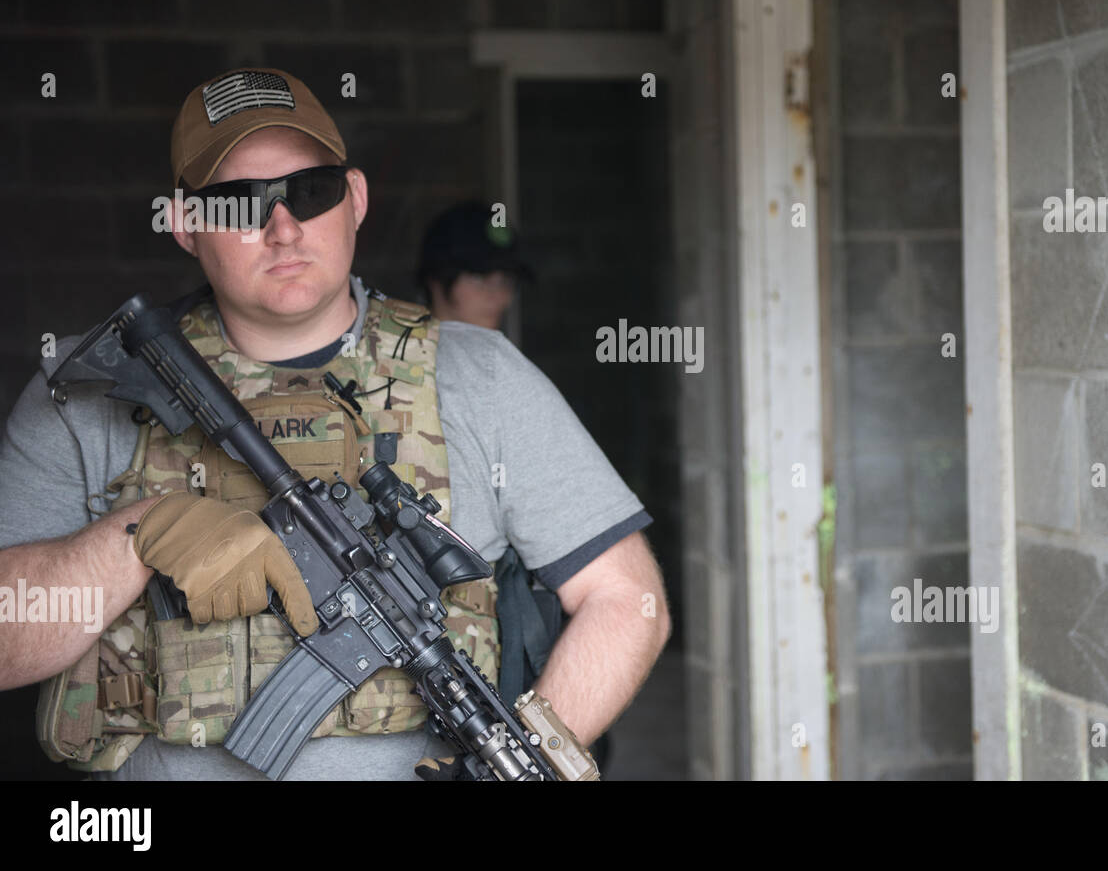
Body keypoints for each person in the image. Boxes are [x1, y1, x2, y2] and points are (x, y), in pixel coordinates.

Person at [0, 67, 670, 780]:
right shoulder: (93, 391)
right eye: (237, 205)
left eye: (310, 193)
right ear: (183, 223)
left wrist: (514, 765)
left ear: (354, 200)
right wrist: (137, 538)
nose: (282, 228)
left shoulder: (480, 376)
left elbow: (629, 598)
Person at [418, 200, 533, 331]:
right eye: (479, 277)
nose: (498, 296)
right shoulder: (400, 348)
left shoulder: (499, 350)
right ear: (436, 277)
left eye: (506, 281)